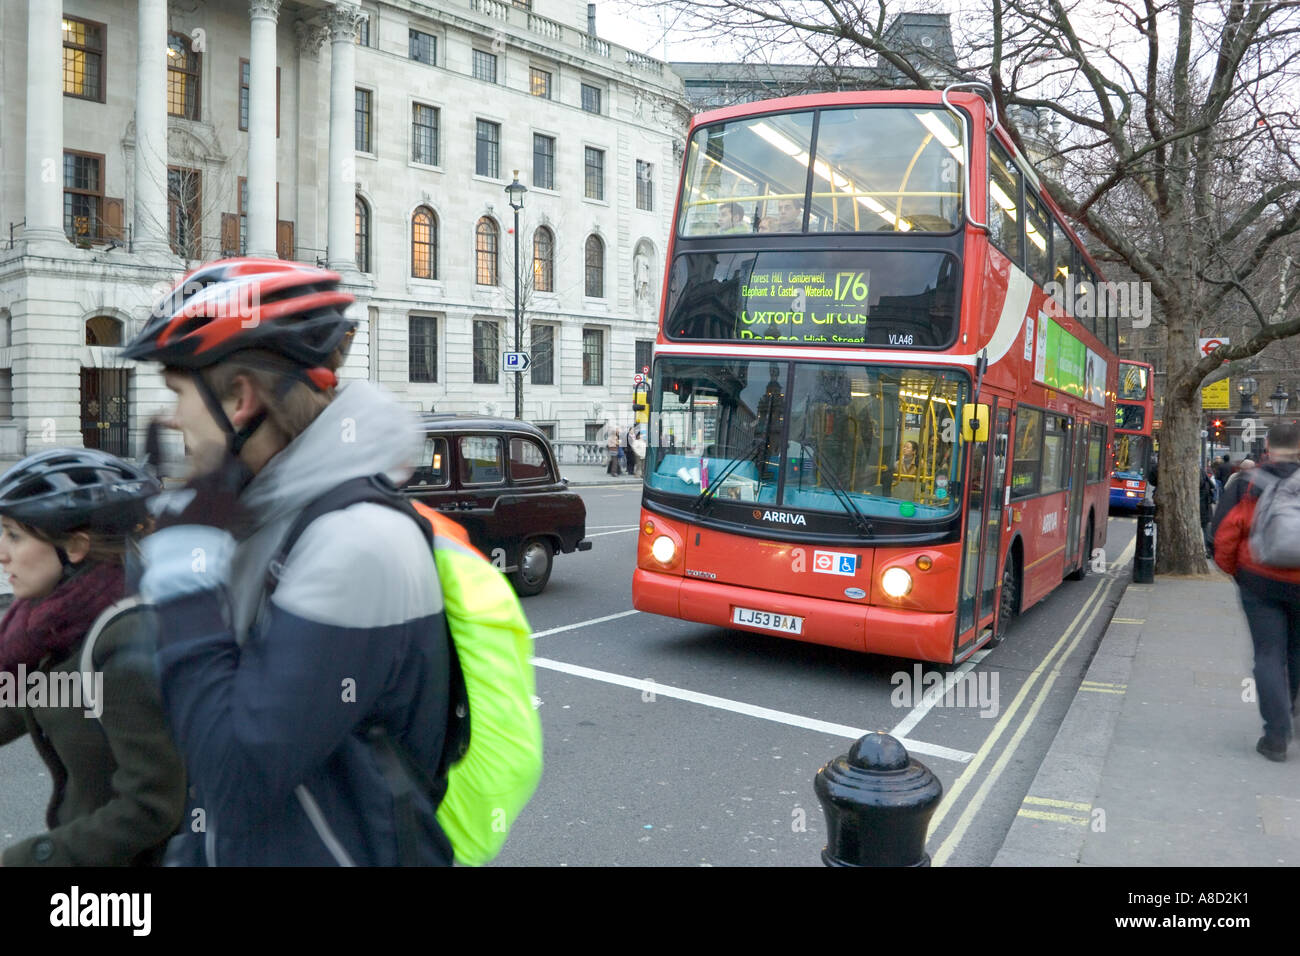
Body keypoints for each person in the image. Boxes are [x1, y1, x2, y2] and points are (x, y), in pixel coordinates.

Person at [121, 257, 457, 865]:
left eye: (177, 393)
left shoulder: (357, 542)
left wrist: (183, 574)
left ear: (241, 400)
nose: (171, 419)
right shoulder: (270, 513)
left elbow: (239, 778)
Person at [0, 449, 186, 865]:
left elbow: (150, 806)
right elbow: (16, 701)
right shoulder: (53, 626)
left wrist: (30, 859)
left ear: (76, 546)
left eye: (15, 535)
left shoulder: (122, 641)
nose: (1, 553)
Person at [1211, 423, 1300, 762]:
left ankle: (1276, 736)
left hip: (1259, 581)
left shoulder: (1248, 482)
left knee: (1268, 654)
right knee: (1296, 652)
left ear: (1267, 444)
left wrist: (1239, 573)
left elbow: (1224, 533)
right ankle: (1291, 711)